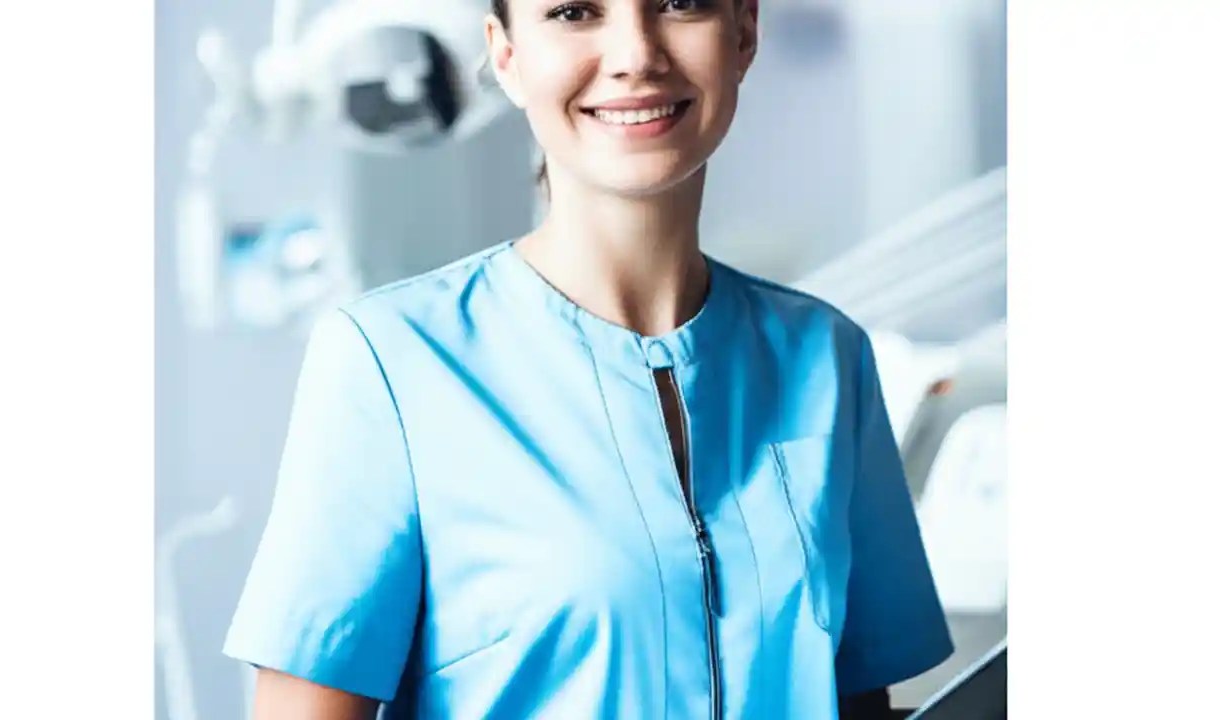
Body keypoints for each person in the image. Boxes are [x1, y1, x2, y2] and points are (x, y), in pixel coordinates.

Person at [222, 0, 954, 717]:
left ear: (744, 30)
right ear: (505, 55)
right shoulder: (391, 362)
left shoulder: (827, 359)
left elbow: (857, 698)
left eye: (681, 3)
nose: (636, 54)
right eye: (574, 12)